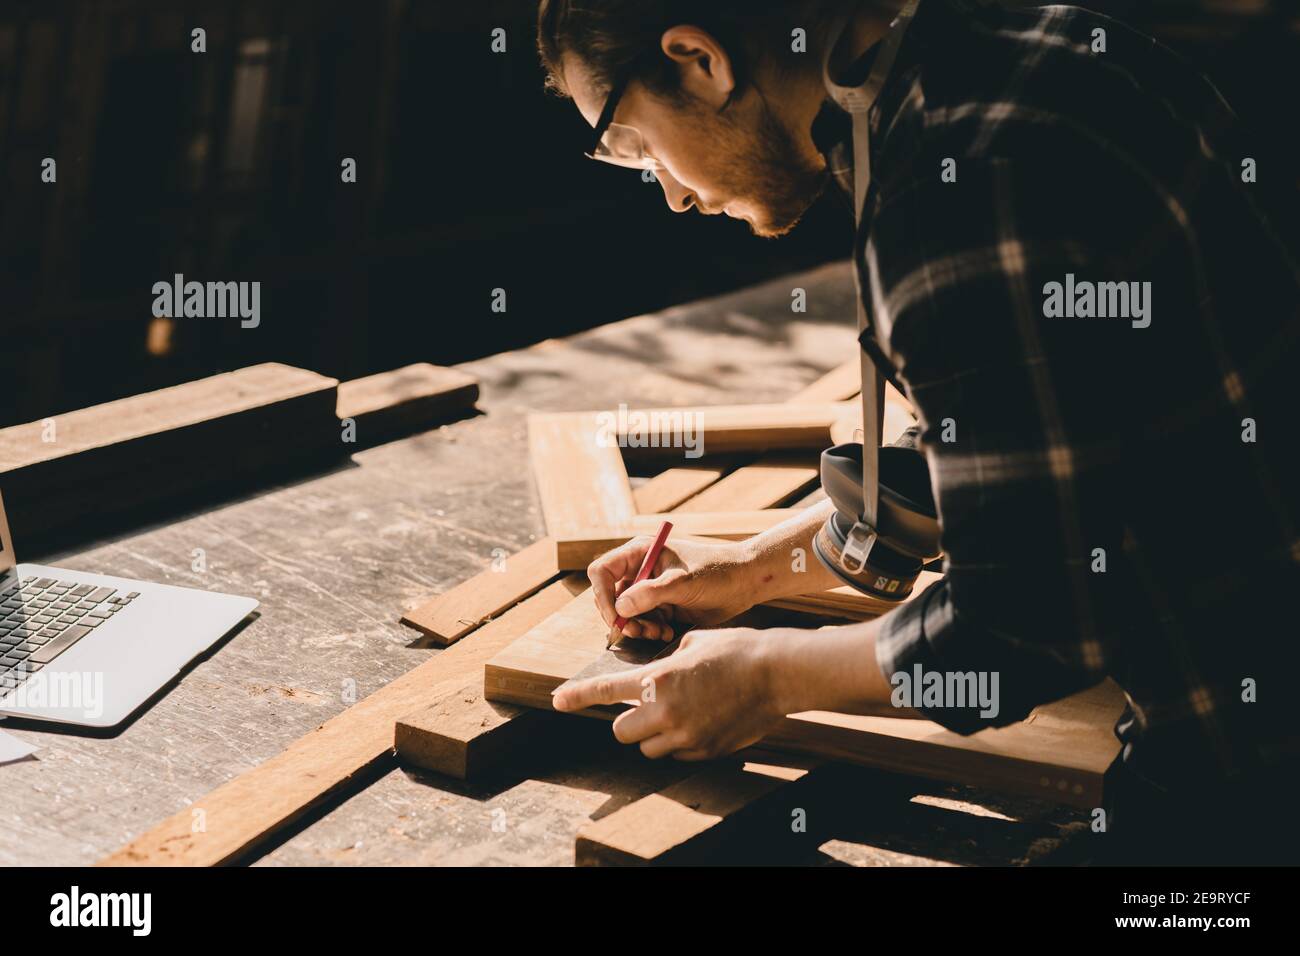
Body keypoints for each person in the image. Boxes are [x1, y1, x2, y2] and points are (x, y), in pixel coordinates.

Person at [537, 0, 1300, 863]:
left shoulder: (956, 187)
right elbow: (1025, 444)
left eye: (633, 142)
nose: (670, 194)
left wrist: (764, 678)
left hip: (1251, 786)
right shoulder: (1029, 56)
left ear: (698, 61)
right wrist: (752, 570)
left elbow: (1020, 633)